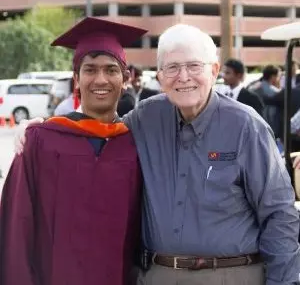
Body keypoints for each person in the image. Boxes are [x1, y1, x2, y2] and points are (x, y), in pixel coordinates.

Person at [14, 24, 300, 285]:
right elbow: (96, 134)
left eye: (193, 66)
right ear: (160, 77)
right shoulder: (146, 118)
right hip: (158, 276)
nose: (183, 77)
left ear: (214, 71)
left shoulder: (245, 126)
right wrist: (36, 128)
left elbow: (280, 213)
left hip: (231, 275)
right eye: (172, 67)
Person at [0, 17, 147, 285]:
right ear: (76, 80)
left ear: (125, 79)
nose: (100, 79)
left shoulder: (137, 146)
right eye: (90, 70)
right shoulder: (40, 142)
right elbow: (15, 230)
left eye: (111, 70)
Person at [252, 64, 282, 137]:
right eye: (278, 76)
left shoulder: (253, 87)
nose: (279, 79)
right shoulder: (275, 92)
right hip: (269, 125)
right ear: (272, 77)